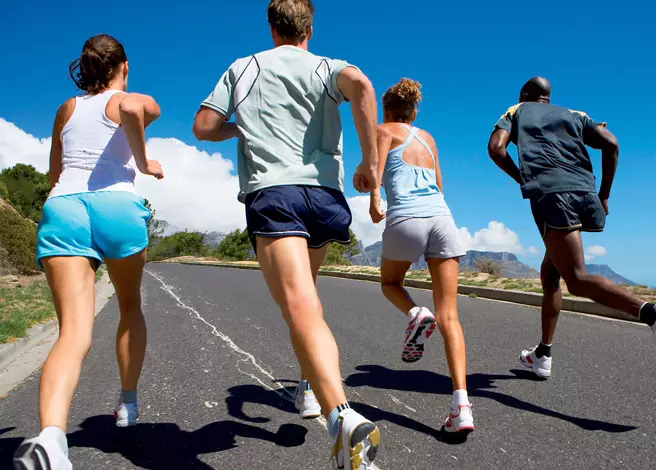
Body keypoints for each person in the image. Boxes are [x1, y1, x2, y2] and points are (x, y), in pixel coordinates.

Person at [192, 1, 381, 468]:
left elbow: (203, 126)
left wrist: (242, 129)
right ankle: (306, 389)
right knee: (308, 301)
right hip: (323, 196)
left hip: (274, 193)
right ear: (310, 29)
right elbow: (362, 85)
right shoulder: (327, 67)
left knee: (298, 304)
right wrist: (370, 163)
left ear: (272, 27)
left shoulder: (246, 67)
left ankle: (341, 414)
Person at [13, 35, 164, 470]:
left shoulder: (67, 109)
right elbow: (134, 109)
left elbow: (55, 171)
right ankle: (128, 403)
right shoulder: (132, 97)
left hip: (65, 207)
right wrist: (144, 161)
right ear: (124, 67)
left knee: (72, 333)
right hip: (115, 205)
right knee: (130, 304)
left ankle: (52, 439)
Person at [487, 77, 656, 378]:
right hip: (585, 195)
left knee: (577, 279)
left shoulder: (517, 110)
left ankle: (654, 314)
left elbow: (495, 149)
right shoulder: (575, 114)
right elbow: (611, 144)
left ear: (526, 94)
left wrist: (524, 179)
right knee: (550, 272)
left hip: (552, 196)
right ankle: (543, 353)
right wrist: (604, 194)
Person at [369, 79, 474, 435]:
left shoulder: (382, 130)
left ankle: (415, 312)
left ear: (387, 109)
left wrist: (374, 203)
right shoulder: (428, 139)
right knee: (451, 317)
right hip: (443, 220)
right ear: (414, 111)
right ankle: (462, 405)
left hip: (406, 219)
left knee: (389, 282)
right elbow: (440, 186)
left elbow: (374, 174)